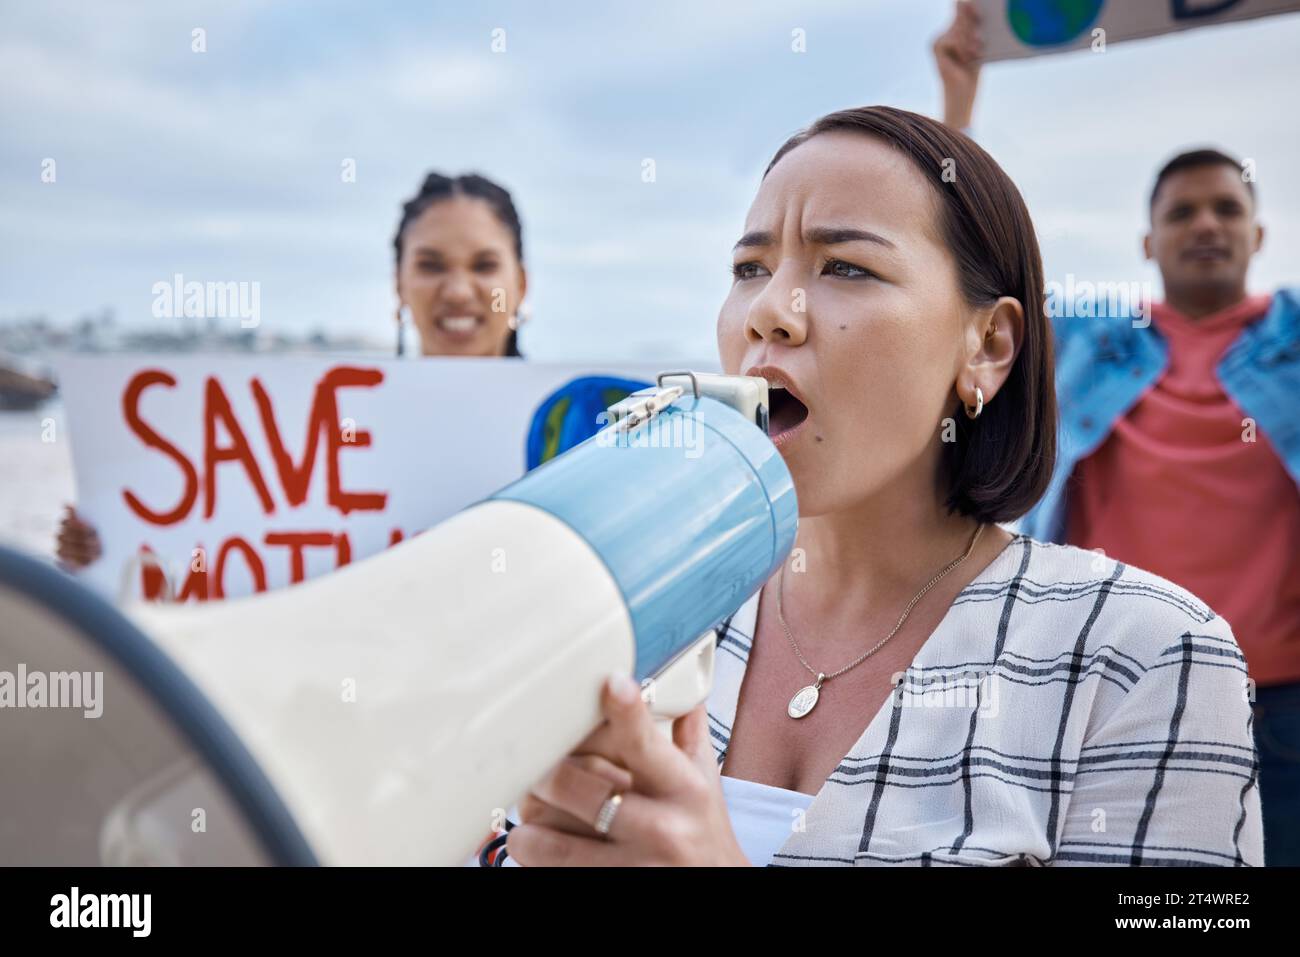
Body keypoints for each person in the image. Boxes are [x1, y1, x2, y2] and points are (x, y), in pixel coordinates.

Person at [498, 105, 1262, 866]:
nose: (770, 312)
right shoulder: (630, 617)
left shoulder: (1146, 655)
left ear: (988, 345)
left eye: (847, 267)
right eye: (749, 269)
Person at [934, 0, 1300, 866]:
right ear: (1147, 240)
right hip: (1113, 694)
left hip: (1282, 708)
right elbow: (972, 287)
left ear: (1258, 233)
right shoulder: (1094, 339)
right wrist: (959, 103)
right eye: (1181, 213)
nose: (1205, 225)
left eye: (1224, 208)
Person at [56, 172, 641, 569]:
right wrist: (113, 551)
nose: (459, 290)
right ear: (398, 285)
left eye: (484, 265)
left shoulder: (591, 433)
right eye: (431, 265)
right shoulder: (331, 434)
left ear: (521, 285)